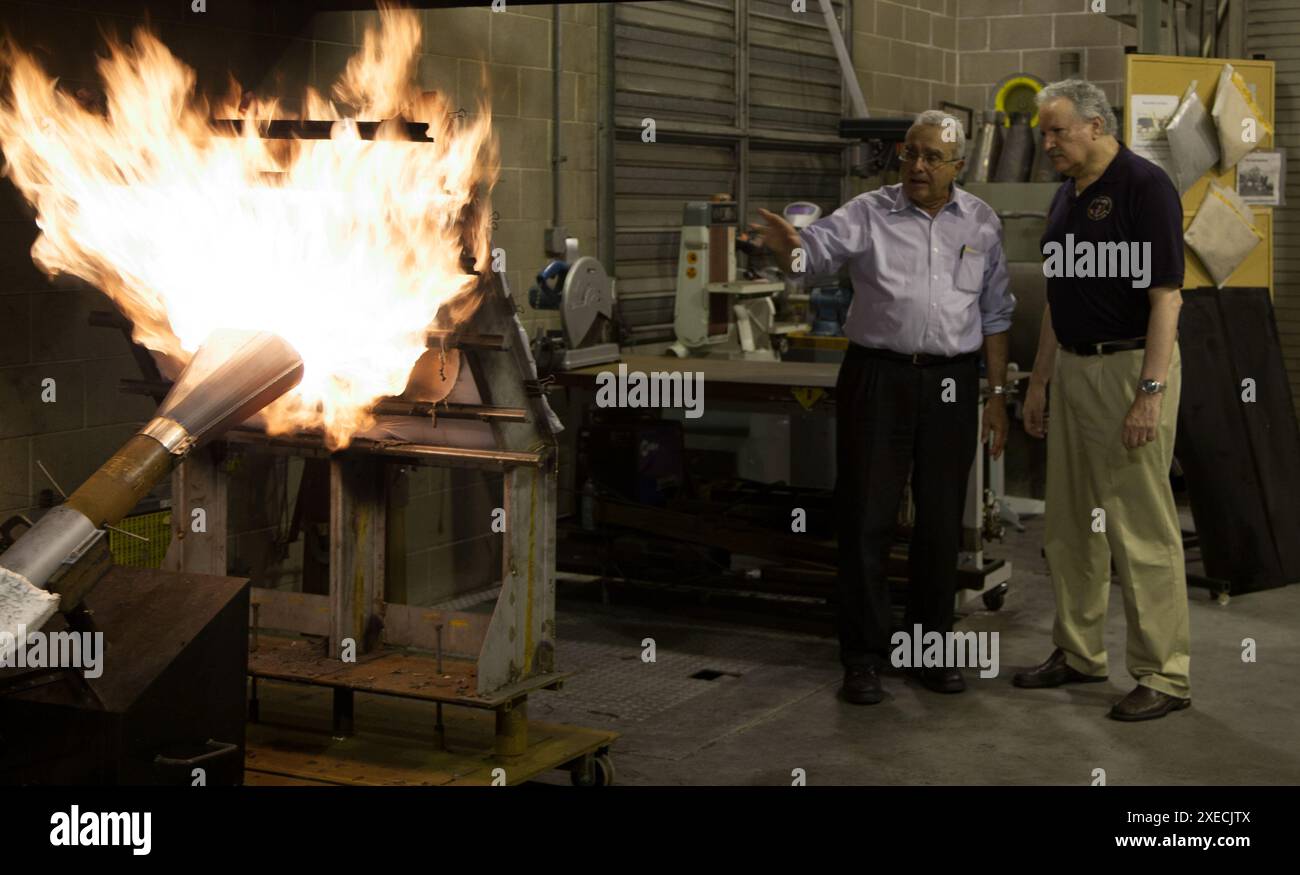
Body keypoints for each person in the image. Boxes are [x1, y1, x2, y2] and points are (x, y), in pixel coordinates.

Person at [759, 110, 1014, 704]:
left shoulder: (982, 222)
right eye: (911, 154)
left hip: (952, 382)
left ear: (958, 166)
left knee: (942, 521)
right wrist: (787, 249)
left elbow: (997, 314)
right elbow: (812, 258)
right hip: (878, 375)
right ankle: (864, 655)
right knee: (867, 518)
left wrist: (996, 397)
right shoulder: (868, 212)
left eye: (932, 158)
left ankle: (931, 649)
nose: (918, 167)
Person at [1014, 79, 1191, 721]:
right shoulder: (1065, 199)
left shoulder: (1145, 187)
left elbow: (1166, 297)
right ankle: (1080, 652)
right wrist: (1039, 381)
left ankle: (1165, 675)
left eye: (1058, 130)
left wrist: (1150, 392)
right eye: (1044, 132)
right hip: (1074, 371)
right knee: (1070, 524)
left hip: (1129, 369)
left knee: (1139, 527)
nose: (1048, 142)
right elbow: (1060, 301)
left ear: (1096, 125)